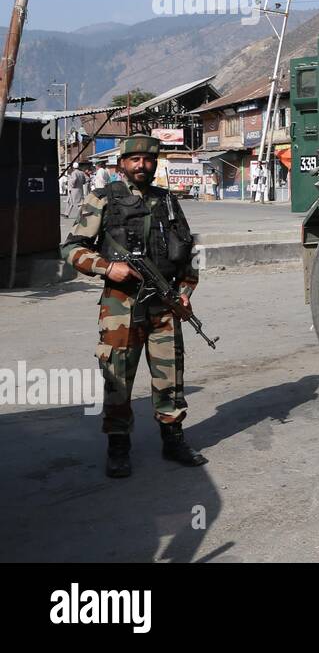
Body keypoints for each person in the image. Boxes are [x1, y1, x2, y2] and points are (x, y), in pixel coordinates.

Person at [61, 136, 206, 478]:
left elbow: (188, 253)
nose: (142, 165)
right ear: (122, 163)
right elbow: (71, 248)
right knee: (118, 379)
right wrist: (107, 267)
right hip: (120, 308)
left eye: (148, 159)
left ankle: (173, 440)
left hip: (164, 305)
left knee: (170, 376)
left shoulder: (168, 201)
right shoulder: (103, 198)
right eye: (135, 159)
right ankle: (118, 447)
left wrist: (185, 291)